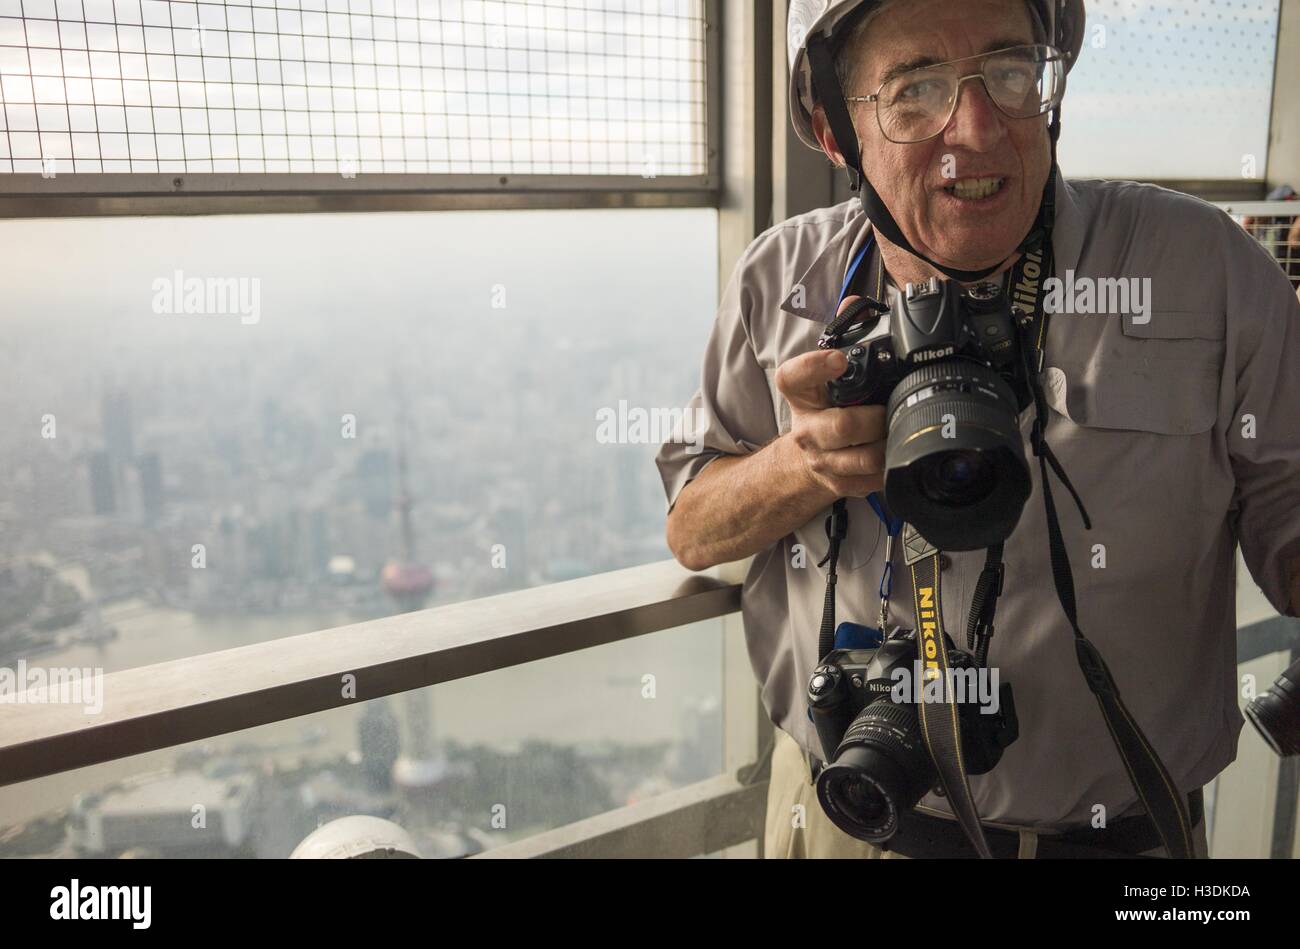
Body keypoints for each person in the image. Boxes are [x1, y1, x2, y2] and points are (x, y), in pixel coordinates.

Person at [656, 0, 1300, 858]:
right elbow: (693, 529)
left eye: (1009, 71)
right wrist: (800, 463)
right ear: (832, 129)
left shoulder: (1203, 270)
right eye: (915, 88)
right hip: (854, 816)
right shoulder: (780, 281)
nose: (979, 126)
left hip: (1128, 837)